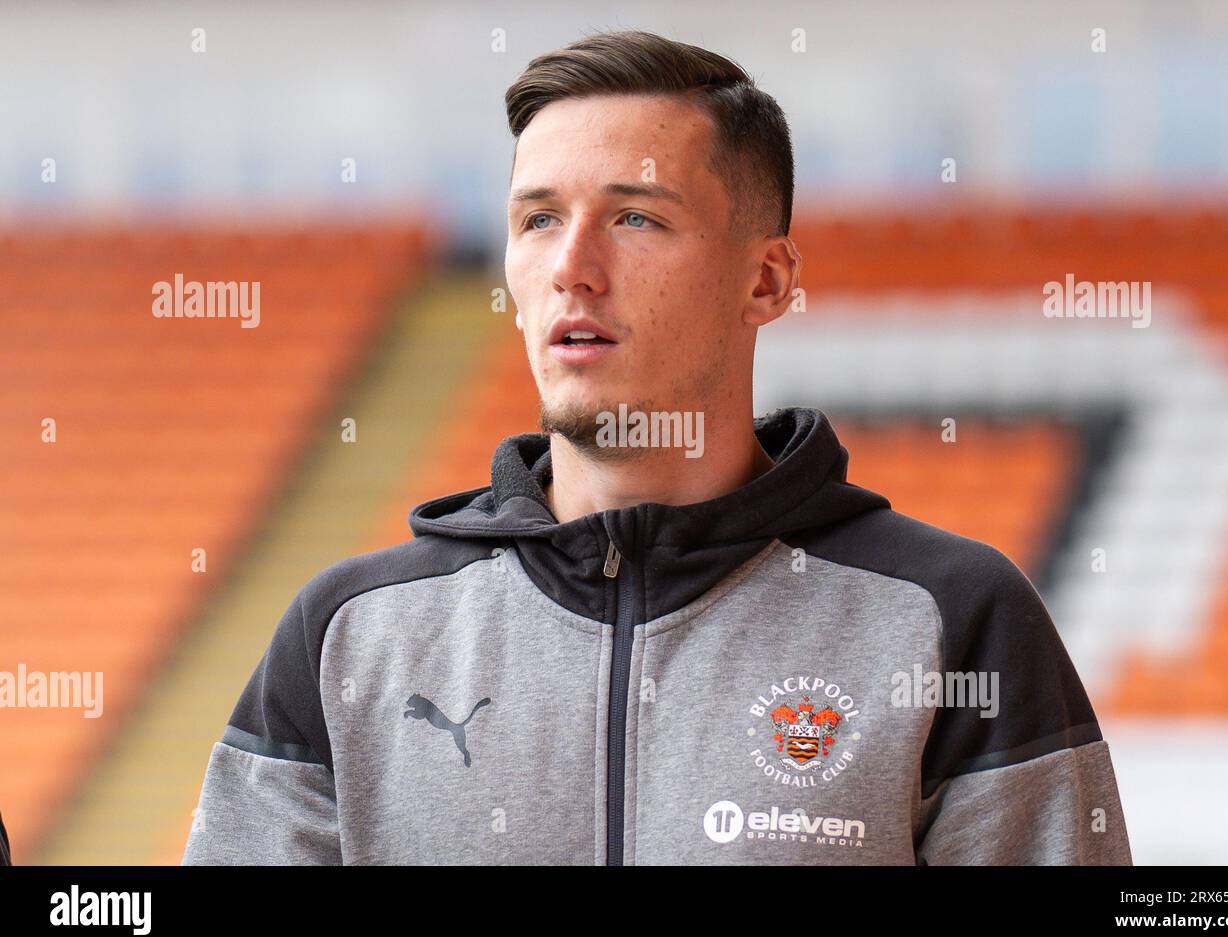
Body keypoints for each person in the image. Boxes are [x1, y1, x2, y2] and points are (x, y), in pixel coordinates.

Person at [182, 29, 1132, 865]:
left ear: (765, 279)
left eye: (635, 217)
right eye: (538, 218)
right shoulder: (349, 635)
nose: (572, 268)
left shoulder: (953, 617)